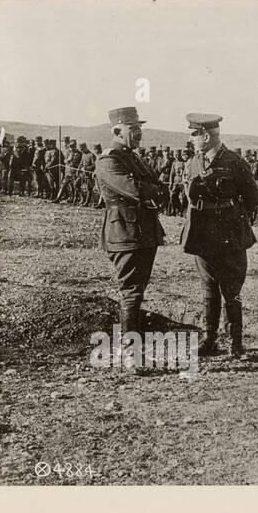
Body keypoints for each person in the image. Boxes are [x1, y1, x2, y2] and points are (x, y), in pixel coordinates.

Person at [93, 107, 170, 372]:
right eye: (133, 129)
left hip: (143, 232)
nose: (139, 134)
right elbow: (137, 189)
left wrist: (154, 191)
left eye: (139, 128)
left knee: (137, 292)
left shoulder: (132, 158)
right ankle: (131, 356)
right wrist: (153, 191)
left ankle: (134, 353)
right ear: (117, 131)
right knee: (131, 293)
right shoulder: (109, 160)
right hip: (124, 233)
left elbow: (162, 190)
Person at [180, 113, 258, 359]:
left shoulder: (234, 162)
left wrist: (232, 219)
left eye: (194, 134)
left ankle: (236, 343)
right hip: (202, 236)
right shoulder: (194, 162)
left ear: (206, 136)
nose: (191, 138)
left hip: (229, 236)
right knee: (208, 288)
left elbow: (253, 199)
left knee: (231, 289)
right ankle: (210, 339)